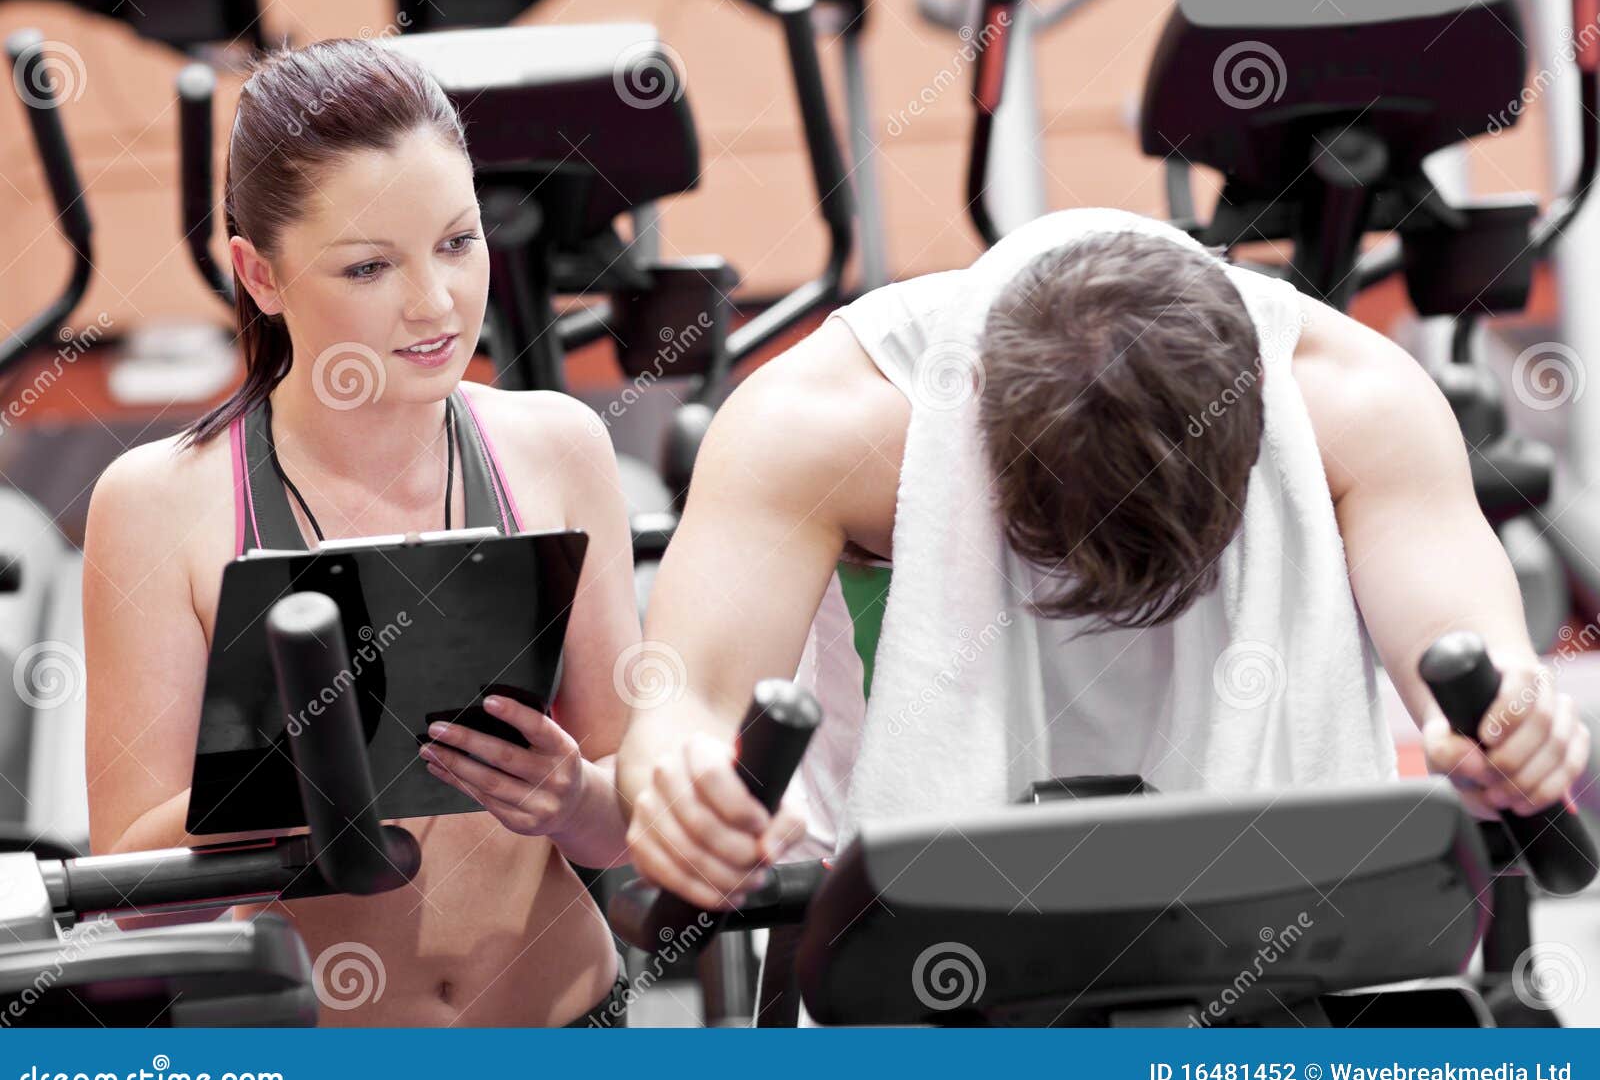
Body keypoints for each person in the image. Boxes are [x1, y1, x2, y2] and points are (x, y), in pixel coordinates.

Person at [617, 208, 1593, 911]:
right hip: (931, 914)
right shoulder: (823, 427)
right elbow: (683, 705)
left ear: (1258, 434)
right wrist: (682, 790)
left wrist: (1511, 725)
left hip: (1259, 913)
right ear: (978, 454)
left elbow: (1475, 659)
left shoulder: (1352, 401)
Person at [82, 39, 639, 1026]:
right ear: (259, 275)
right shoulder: (157, 504)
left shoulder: (560, 447)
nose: (434, 304)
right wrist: (303, 773)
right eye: (371, 265)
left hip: (570, 1027)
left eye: (459, 243)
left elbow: (627, 826)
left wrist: (575, 802)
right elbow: (130, 899)